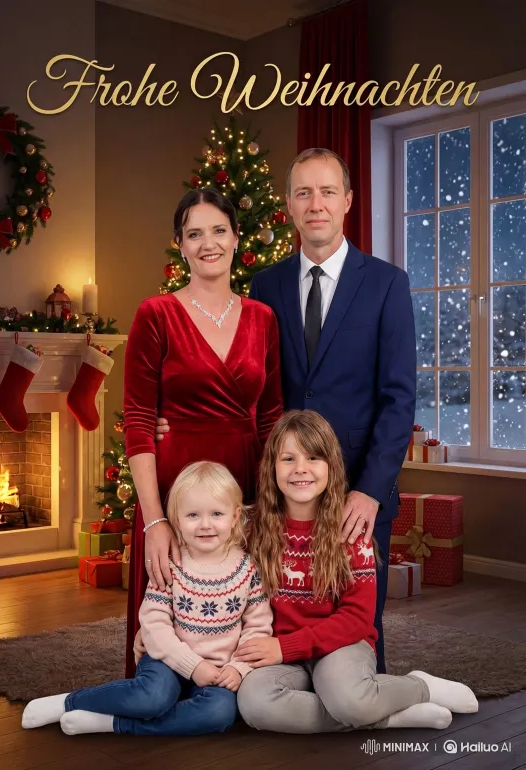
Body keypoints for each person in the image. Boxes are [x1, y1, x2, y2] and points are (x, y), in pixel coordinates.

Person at [156, 148, 416, 674]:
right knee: (274, 618)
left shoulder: (387, 283)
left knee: (359, 628)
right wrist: (174, 416)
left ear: (347, 201)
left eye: (326, 192)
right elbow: (244, 382)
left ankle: (368, 711)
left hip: (354, 491)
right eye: (303, 193)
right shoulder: (266, 285)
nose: (314, 204)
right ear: (290, 206)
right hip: (279, 486)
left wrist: (368, 491)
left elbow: (399, 398)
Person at [235, 410, 478, 733]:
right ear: (271, 467)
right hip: (280, 652)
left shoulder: (349, 530)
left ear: (331, 467)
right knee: (254, 704)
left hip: (341, 644)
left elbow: (358, 618)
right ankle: (384, 717)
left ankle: (420, 687)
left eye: (313, 458)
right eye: (288, 459)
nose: (301, 469)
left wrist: (286, 647)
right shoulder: (251, 527)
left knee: (349, 699)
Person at [123, 188, 283, 676]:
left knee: (241, 614)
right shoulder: (157, 314)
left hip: (246, 486)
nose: (208, 243)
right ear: (180, 244)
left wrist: (272, 504)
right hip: (174, 488)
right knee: (165, 631)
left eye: (218, 230)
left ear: (236, 238)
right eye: (194, 233)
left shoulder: (263, 318)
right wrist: (155, 521)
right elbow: (137, 419)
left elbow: (273, 417)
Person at [22, 461, 273, 736]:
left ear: (235, 516)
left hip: (218, 671)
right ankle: (69, 702)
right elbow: (153, 624)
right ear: (175, 518)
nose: (205, 525)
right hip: (168, 660)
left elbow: (257, 629)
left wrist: (238, 668)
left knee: (219, 713)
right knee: (152, 697)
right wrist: (192, 665)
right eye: (192, 515)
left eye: (216, 514)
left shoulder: (247, 569)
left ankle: (112, 724)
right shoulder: (171, 563)